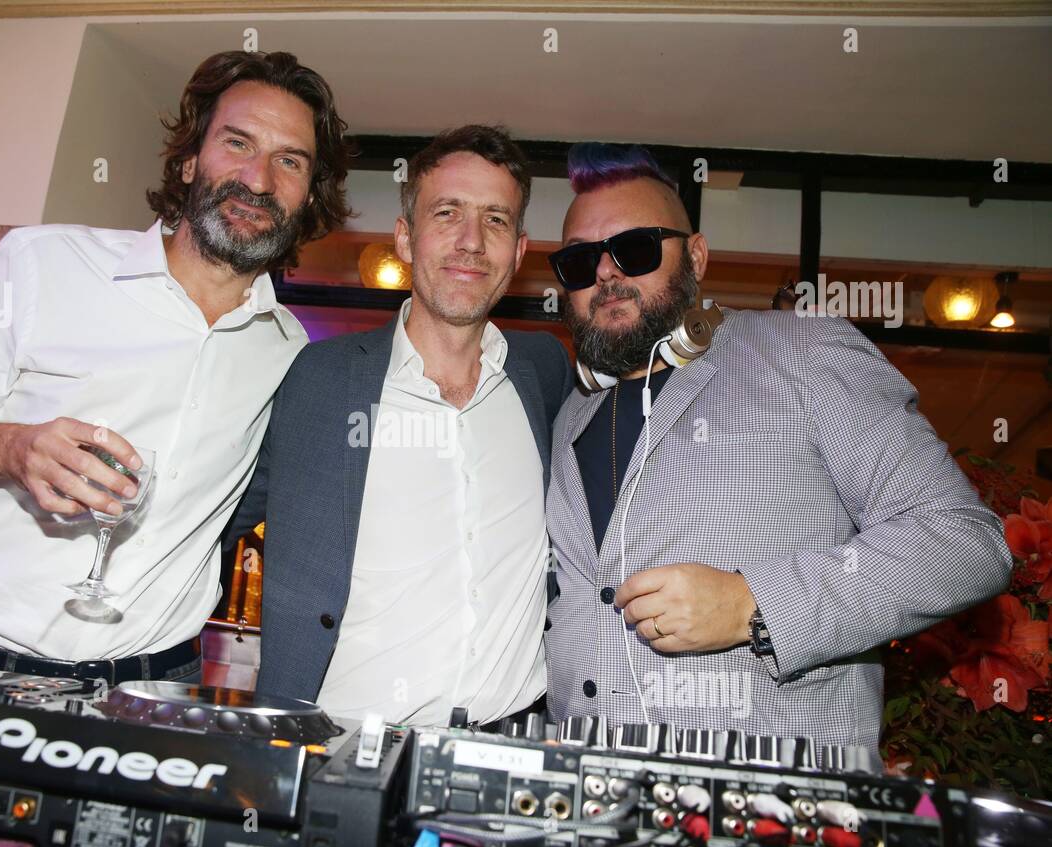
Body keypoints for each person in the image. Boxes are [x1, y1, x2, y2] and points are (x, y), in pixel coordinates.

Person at [0, 51, 352, 684]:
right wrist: (9, 448)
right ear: (191, 157)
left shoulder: (290, 354)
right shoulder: (46, 262)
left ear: (308, 194)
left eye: (290, 160)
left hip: (154, 690)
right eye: (237, 142)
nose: (258, 179)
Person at [544, 142, 1011, 752]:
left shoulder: (802, 353)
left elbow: (964, 542)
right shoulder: (571, 414)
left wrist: (751, 606)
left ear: (698, 256)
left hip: (777, 811)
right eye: (580, 263)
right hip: (594, 807)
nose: (606, 274)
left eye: (633, 250)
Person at [226, 126, 573, 724]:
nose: (471, 242)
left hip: (512, 744)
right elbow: (213, 518)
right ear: (406, 239)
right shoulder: (315, 380)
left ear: (518, 252)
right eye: (448, 213)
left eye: (495, 220)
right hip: (337, 749)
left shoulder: (544, 373)